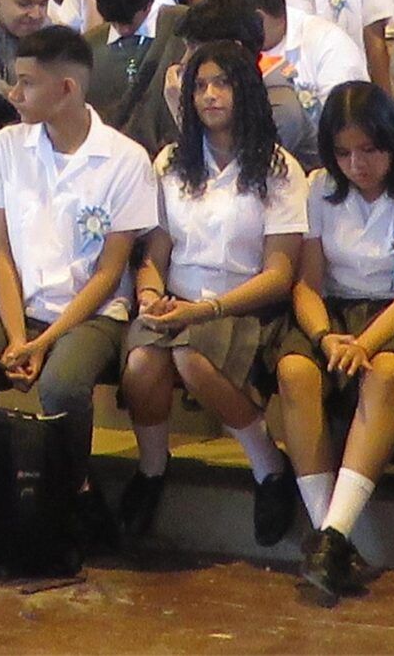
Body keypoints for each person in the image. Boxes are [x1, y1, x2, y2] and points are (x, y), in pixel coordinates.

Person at [0, 26, 155, 521]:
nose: (13, 94)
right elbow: (0, 253)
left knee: (62, 388)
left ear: (67, 89)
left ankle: (72, 498)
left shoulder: (125, 159)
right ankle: (1, 487)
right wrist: (17, 337)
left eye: (27, 83)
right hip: (17, 306)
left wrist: (44, 341)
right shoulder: (6, 146)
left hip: (91, 313)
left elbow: (108, 273)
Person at [119, 38, 307, 540]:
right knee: (142, 362)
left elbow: (279, 275)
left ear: (245, 89)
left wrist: (206, 311)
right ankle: (152, 470)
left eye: (222, 83)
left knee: (190, 356)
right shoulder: (170, 162)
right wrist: (149, 296)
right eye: (200, 86)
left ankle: (268, 467)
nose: (209, 95)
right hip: (176, 302)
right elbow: (155, 253)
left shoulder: (278, 168)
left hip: (244, 306)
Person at [277, 82, 394, 602]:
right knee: (294, 371)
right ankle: (328, 535)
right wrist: (325, 336)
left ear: (393, 142)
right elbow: (307, 283)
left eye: (370, 150)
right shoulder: (319, 190)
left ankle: (335, 531)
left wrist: (363, 344)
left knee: (387, 373)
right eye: (343, 152)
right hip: (332, 313)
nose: (357, 164)